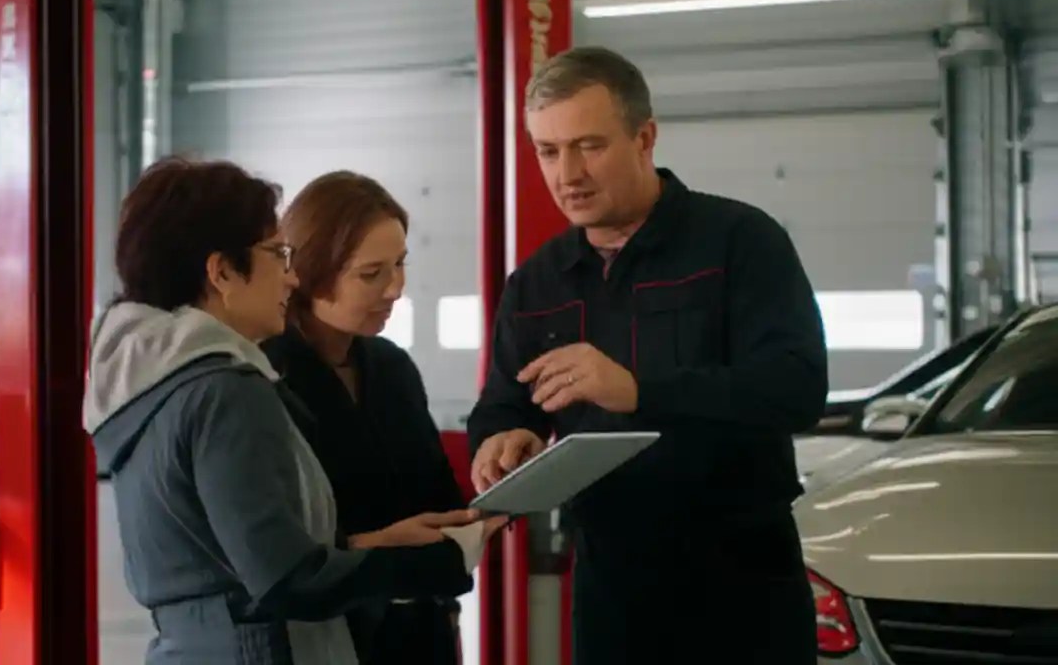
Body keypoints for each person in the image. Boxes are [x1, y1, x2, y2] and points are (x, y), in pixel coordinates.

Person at [466, 46, 828, 664]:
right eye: (548, 151)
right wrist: (505, 440)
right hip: (614, 590)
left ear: (645, 137)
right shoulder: (537, 283)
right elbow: (504, 403)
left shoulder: (740, 242)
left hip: (743, 586)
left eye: (589, 145)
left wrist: (639, 390)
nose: (567, 174)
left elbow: (795, 390)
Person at [83, 157, 492, 665]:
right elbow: (286, 577)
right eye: (278, 253)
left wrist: (373, 545)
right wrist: (430, 562)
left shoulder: (153, 383)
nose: (290, 276)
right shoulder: (227, 389)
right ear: (223, 271)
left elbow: (234, 554)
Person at [261, 171, 466, 665]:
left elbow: (438, 492)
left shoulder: (392, 367)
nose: (396, 288)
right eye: (371, 274)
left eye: (400, 265)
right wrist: (373, 548)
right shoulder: (264, 375)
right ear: (308, 271)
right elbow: (271, 549)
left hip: (420, 633)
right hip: (326, 639)